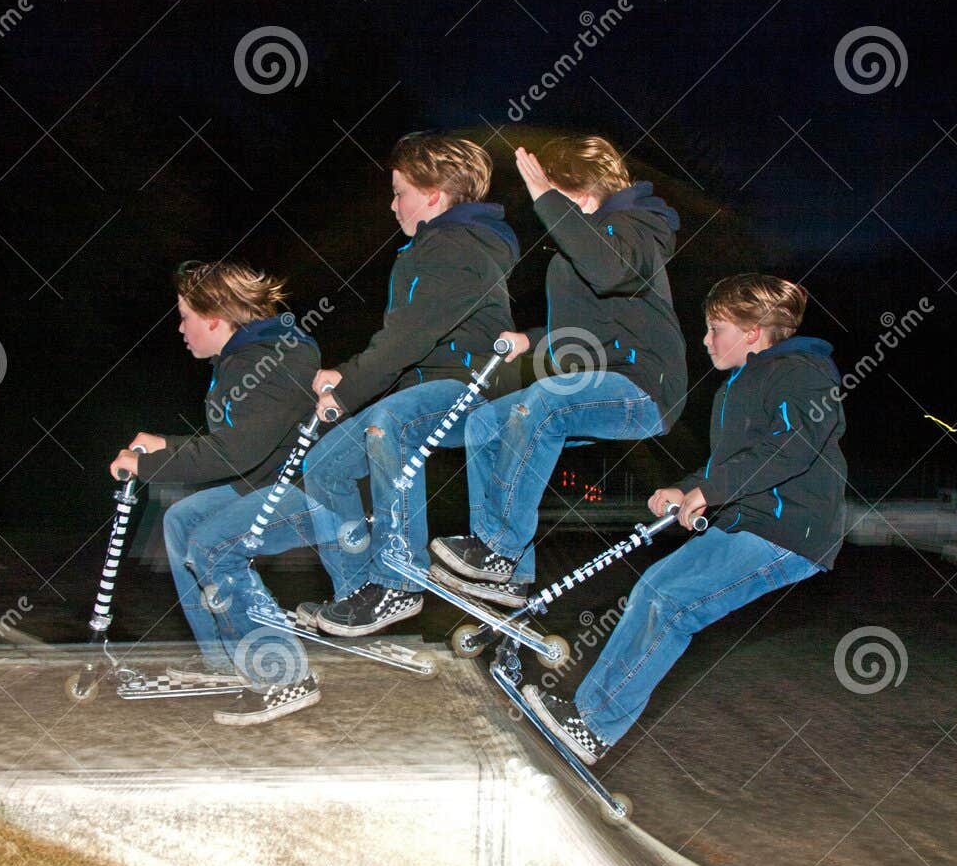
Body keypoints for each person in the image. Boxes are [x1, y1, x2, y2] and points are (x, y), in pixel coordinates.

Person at [518, 274, 847, 764]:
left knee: (670, 601)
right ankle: (588, 719)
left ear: (753, 331)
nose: (706, 340)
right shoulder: (740, 384)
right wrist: (689, 486)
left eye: (716, 329)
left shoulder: (801, 372)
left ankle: (594, 725)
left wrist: (711, 491)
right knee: (655, 588)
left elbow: (792, 446)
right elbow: (731, 462)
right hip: (749, 522)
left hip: (787, 529)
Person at [428, 135, 687, 607]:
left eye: (559, 202)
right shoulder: (586, 247)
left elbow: (610, 270)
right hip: (598, 381)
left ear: (582, 197)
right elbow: (588, 333)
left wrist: (546, 196)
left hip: (644, 388)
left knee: (544, 402)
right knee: (485, 422)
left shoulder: (637, 225)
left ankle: (499, 549)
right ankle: (508, 575)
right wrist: (533, 339)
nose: (552, 221)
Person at [109, 260, 356, 725]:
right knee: (182, 520)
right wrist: (167, 446)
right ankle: (226, 660)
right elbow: (242, 444)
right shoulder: (244, 358)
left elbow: (234, 454)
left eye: (185, 316)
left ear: (214, 318)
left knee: (213, 543)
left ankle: (282, 675)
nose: (180, 328)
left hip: (319, 493)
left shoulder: (269, 361)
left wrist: (149, 464)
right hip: (275, 482)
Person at [301, 132, 519, 637]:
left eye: (400, 192)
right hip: (427, 388)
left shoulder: (456, 247)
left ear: (434, 196)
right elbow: (404, 340)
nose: (392, 203)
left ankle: (397, 579)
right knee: (326, 464)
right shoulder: (428, 248)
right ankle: (356, 590)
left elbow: (406, 339)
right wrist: (348, 375)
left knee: (390, 422)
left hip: (473, 389)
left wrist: (347, 389)